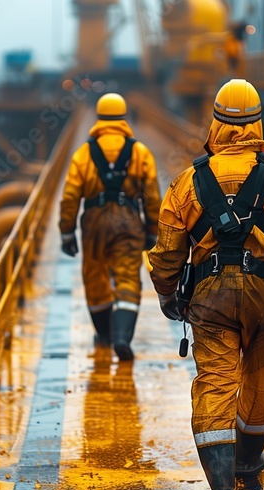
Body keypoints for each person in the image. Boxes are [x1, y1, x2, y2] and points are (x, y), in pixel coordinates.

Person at [149, 79, 264, 490]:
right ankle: (248, 461)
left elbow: (166, 252)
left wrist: (167, 294)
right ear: (257, 123)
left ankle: (221, 486)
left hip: (210, 300)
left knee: (215, 383)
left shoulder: (186, 184)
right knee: (262, 379)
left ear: (216, 122)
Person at [59, 93, 161, 361]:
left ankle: (104, 334)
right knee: (127, 277)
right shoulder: (139, 152)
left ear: (99, 117)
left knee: (95, 277)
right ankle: (122, 338)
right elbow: (151, 194)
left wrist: (66, 232)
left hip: (94, 220)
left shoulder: (84, 153)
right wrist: (152, 229)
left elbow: (70, 196)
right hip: (128, 220)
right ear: (124, 117)